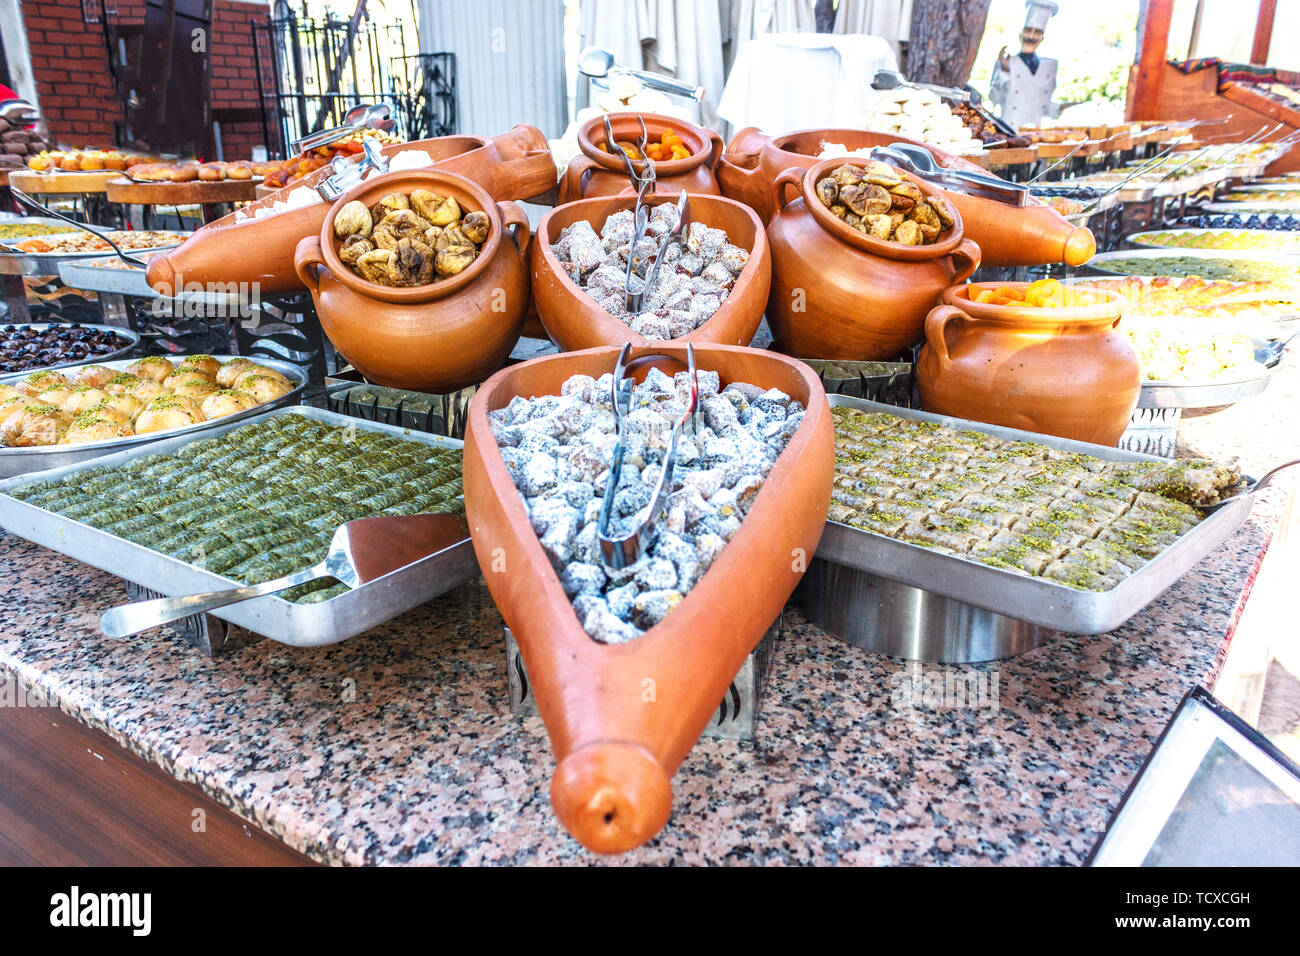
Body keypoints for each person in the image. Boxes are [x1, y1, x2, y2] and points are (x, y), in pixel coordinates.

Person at [988, 1, 1067, 129]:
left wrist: (1062, 107)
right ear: (1020, 35)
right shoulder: (1005, 62)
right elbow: (994, 99)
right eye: (1028, 30)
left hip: (1034, 135)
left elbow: (1045, 107)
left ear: (1042, 38)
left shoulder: (1050, 67)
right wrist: (1005, 71)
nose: (1031, 36)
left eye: (1037, 32)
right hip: (1008, 132)